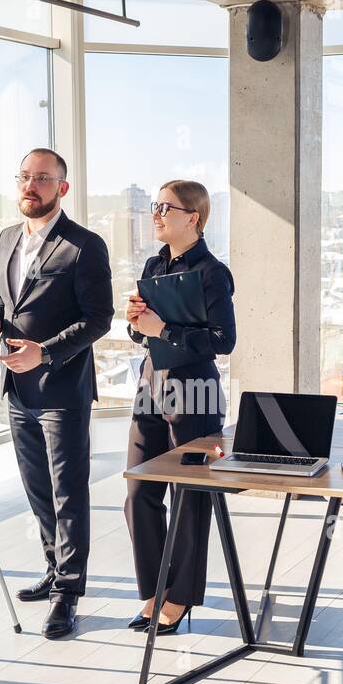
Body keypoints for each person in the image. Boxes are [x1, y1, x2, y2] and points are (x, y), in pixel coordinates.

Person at [0, 149, 114, 640]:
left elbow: (99, 318)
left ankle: (68, 594)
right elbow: (5, 295)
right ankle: (54, 570)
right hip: (18, 388)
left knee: (68, 493)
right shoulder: (5, 238)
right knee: (38, 490)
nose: (30, 186)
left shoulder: (84, 245)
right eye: (24, 177)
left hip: (62, 389)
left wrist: (47, 352)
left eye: (42, 178)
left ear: (63, 188)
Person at [123, 181, 236, 634]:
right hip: (151, 386)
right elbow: (140, 334)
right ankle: (153, 591)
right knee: (138, 493)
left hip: (195, 393)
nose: (156, 214)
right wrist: (137, 324)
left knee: (189, 497)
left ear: (193, 216)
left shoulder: (213, 272)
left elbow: (223, 341)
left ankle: (181, 598)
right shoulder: (153, 264)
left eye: (164, 207)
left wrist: (163, 328)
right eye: (154, 207)